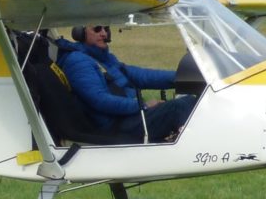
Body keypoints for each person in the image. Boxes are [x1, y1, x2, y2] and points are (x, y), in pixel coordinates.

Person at [58, 24, 196, 142]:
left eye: (106, 29)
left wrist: (182, 76)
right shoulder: (78, 62)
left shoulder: (103, 58)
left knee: (190, 100)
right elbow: (100, 100)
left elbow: (140, 75)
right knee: (178, 107)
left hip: (127, 116)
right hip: (115, 125)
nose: (104, 33)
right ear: (80, 33)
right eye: (97, 29)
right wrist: (143, 106)